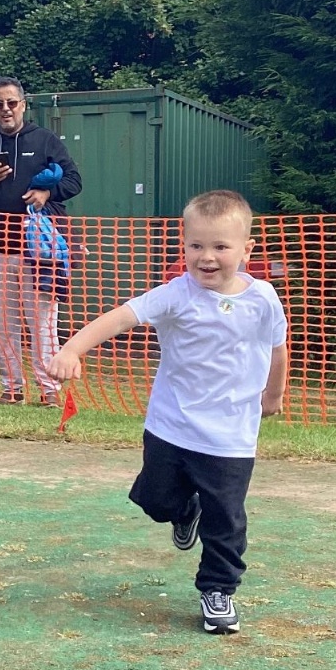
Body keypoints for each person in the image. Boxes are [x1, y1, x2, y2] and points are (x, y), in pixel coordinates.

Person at [48, 190, 288, 635]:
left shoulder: (263, 299)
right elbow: (120, 318)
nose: (207, 257)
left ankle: (218, 590)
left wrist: (274, 395)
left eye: (220, 247)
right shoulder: (175, 294)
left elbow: (276, 349)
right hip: (170, 427)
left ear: (246, 249)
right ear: (184, 245)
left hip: (230, 436)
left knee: (226, 519)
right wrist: (72, 348)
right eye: (196, 245)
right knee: (155, 500)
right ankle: (182, 511)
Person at [0, 76, 82, 407]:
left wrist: (46, 192)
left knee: (41, 322)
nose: (6, 109)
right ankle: (11, 388)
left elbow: (74, 180)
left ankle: (49, 391)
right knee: (2, 324)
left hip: (37, 253)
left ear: (24, 105)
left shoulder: (45, 141)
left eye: (12, 103)